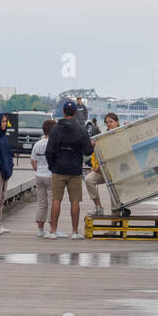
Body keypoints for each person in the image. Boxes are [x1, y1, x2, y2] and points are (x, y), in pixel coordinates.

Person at [46, 101, 94, 238]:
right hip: (74, 170)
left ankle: (53, 231)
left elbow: (49, 151)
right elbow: (88, 151)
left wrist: (52, 166)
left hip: (58, 169)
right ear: (75, 113)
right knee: (75, 200)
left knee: (56, 200)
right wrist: (92, 144)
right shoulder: (81, 129)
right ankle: (74, 231)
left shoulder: (55, 129)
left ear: (63, 112)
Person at [84, 112, 119, 215]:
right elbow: (95, 154)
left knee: (115, 198)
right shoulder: (101, 137)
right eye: (106, 122)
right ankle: (98, 207)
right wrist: (95, 166)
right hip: (102, 170)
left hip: (116, 171)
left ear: (117, 122)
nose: (108, 124)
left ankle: (114, 226)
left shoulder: (121, 134)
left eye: (111, 122)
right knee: (88, 179)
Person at [30, 118, 55, 237]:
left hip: (39, 176)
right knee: (52, 202)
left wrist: (38, 169)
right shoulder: (54, 144)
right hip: (51, 176)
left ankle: (40, 229)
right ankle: (52, 228)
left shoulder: (37, 144)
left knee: (41, 203)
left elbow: (33, 161)